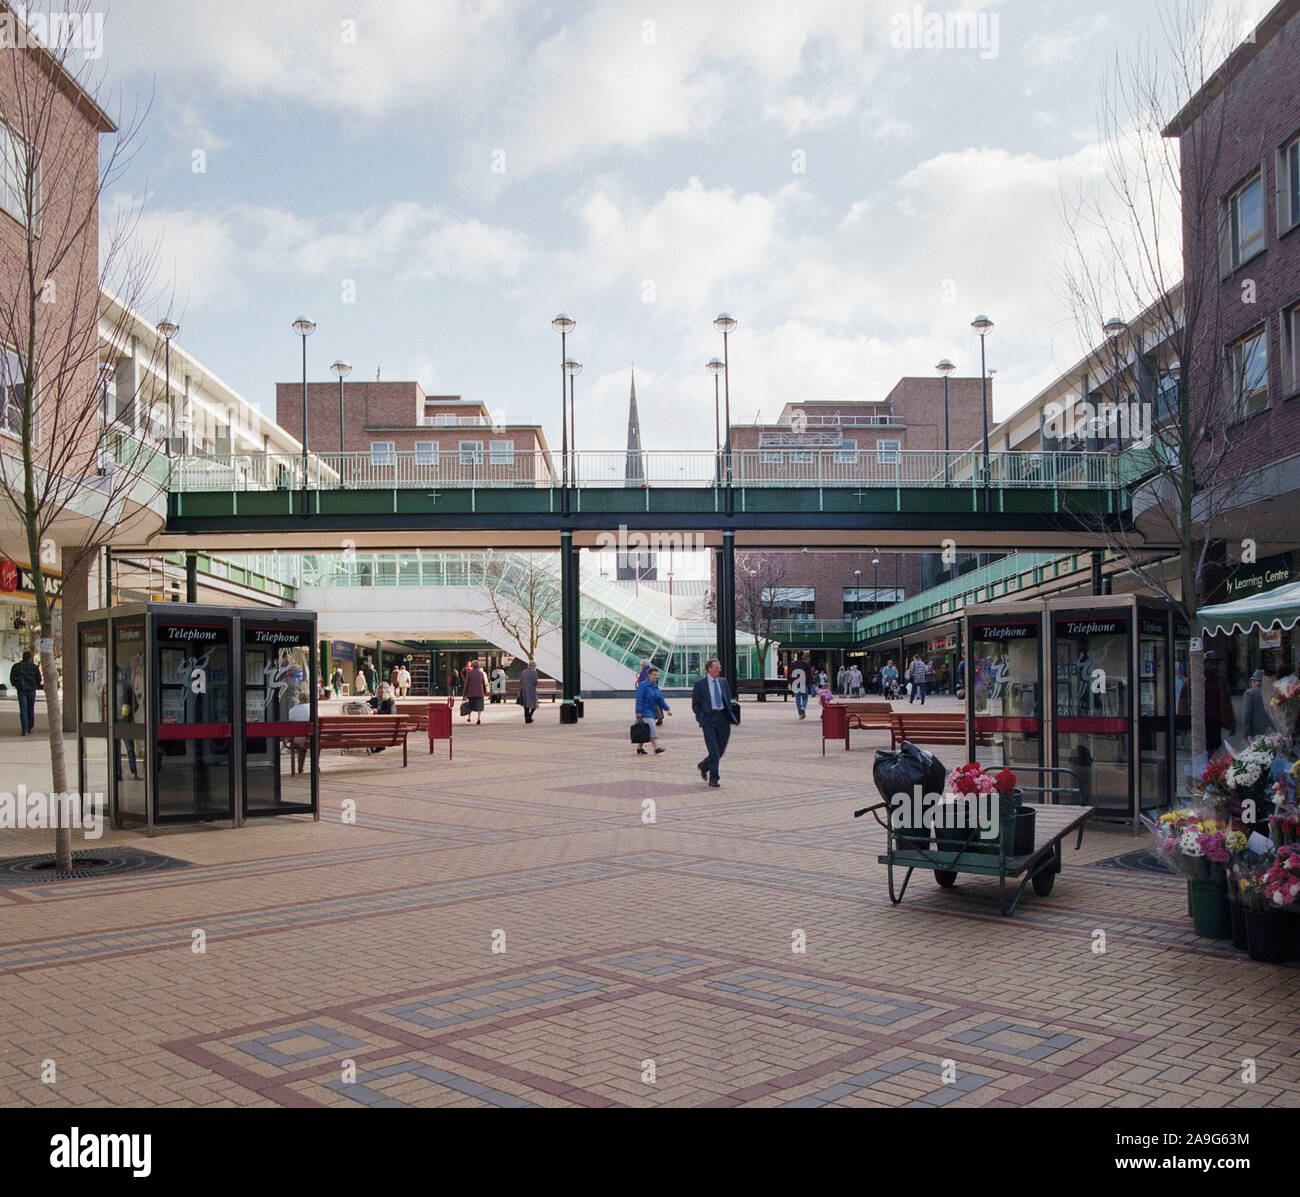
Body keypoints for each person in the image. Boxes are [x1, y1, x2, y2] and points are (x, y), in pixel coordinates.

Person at [691, 657, 739, 788]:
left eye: (720, 667)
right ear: (709, 668)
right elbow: (696, 704)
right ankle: (714, 778)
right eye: (717, 667)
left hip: (723, 718)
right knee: (714, 750)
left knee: (721, 750)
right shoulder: (700, 684)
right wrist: (702, 718)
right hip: (709, 719)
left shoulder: (723, 682)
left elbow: (727, 699)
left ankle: (704, 765)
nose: (720, 669)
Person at [634, 665, 671, 755]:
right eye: (654, 675)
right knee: (651, 728)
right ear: (649, 675)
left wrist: (667, 709)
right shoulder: (643, 685)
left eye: (657, 675)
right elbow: (639, 699)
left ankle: (639, 748)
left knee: (644, 729)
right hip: (644, 711)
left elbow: (660, 699)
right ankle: (656, 748)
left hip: (652, 710)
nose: (656, 677)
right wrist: (638, 711)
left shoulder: (654, 686)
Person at [1204, 651, 1236, 752]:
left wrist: (1231, 723)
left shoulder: (1220, 680)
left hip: (1215, 719)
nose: (1214, 666)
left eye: (1216, 663)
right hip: (1202, 720)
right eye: (1211, 663)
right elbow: (1184, 701)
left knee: (1214, 747)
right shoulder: (1197, 679)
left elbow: (1226, 702)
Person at [9, 649, 41, 736]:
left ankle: (24, 729)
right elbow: (39, 678)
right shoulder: (34, 667)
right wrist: (36, 685)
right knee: (30, 708)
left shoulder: (16, 666)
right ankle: (30, 727)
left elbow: (12, 678)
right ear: (30, 658)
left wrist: (15, 684)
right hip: (31, 690)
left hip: (21, 690)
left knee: (23, 709)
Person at [1241, 668, 1274, 738]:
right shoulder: (1272, 692)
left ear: (1253, 681)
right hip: (1273, 733)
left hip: (1256, 734)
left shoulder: (1250, 693)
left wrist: (1246, 735)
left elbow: (1246, 717)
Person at [787, 653, 814, 719]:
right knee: (805, 698)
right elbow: (809, 674)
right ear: (802, 656)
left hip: (795, 684)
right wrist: (810, 683)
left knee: (797, 699)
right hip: (803, 683)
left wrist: (790, 682)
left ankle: (800, 713)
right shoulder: (806, 664)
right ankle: (803, 707)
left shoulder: (793, 664)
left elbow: (789, 674)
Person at [462, 659, 486, 724]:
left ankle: (469, 717)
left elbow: (467, 683)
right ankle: (478, 718)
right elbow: (483, 683)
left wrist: (464, 693)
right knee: (479, 706)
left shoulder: (469, 673)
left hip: (471, 692)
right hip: (479, 692)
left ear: (472, 665)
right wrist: (484, 691)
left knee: (470, 705)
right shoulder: (481, 673)